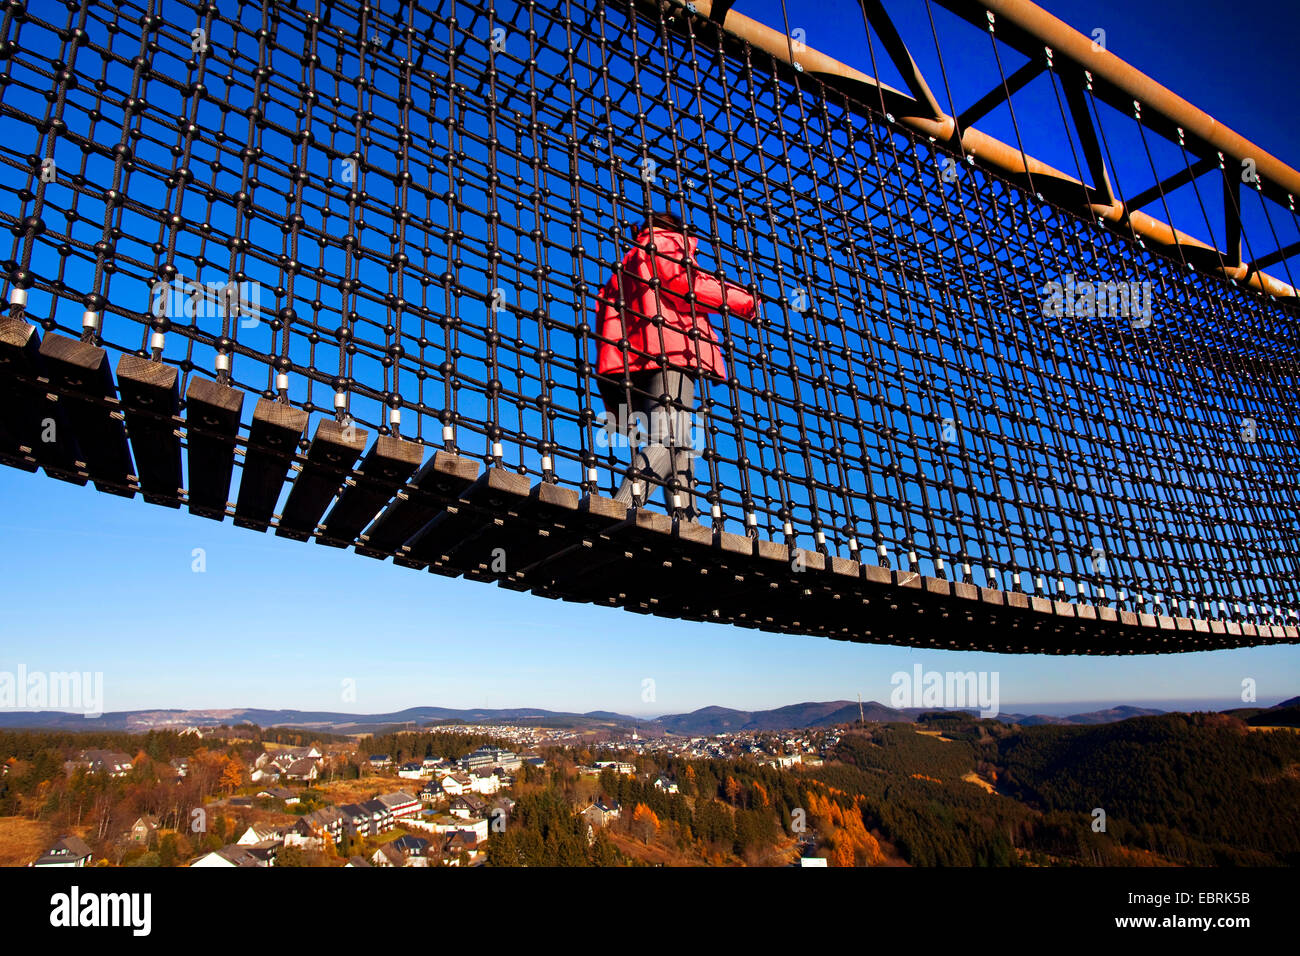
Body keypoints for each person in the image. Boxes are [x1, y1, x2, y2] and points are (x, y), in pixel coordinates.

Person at [594, 211, 758, 520]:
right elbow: (688, 283)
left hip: (634, 364)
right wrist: (745, 300)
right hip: (669, 353)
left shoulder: (627, 261)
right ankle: (619, 507)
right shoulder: (665, 244)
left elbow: (606, 318)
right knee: (669, 440)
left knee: (679, 442)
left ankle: (687, 519)